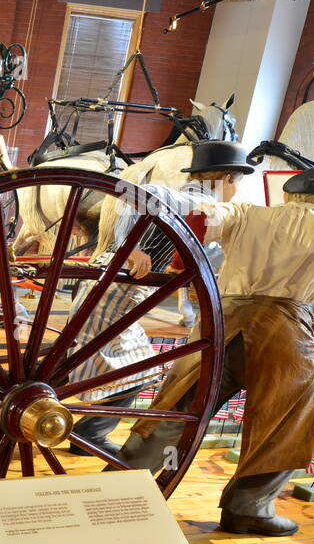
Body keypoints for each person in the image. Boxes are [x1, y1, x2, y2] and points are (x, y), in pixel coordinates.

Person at [119, 164, 314, 535]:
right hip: (286, 333)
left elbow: (200, 216)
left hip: (223, 322)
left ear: (287, 194)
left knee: (180, 405)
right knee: (290, 419)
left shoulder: (250, 213)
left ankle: (119, 487)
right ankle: (247, 508)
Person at [69, 141, 254, 458]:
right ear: (228, 178)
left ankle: (88, 432)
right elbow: (133, 194)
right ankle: (90, 434)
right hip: (117, 288)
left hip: (118, 287)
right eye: (237, 183)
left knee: (99, 357)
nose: (236, 191)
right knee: (134, 368)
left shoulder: (193, 201)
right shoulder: (196, 201)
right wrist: (132, 246)